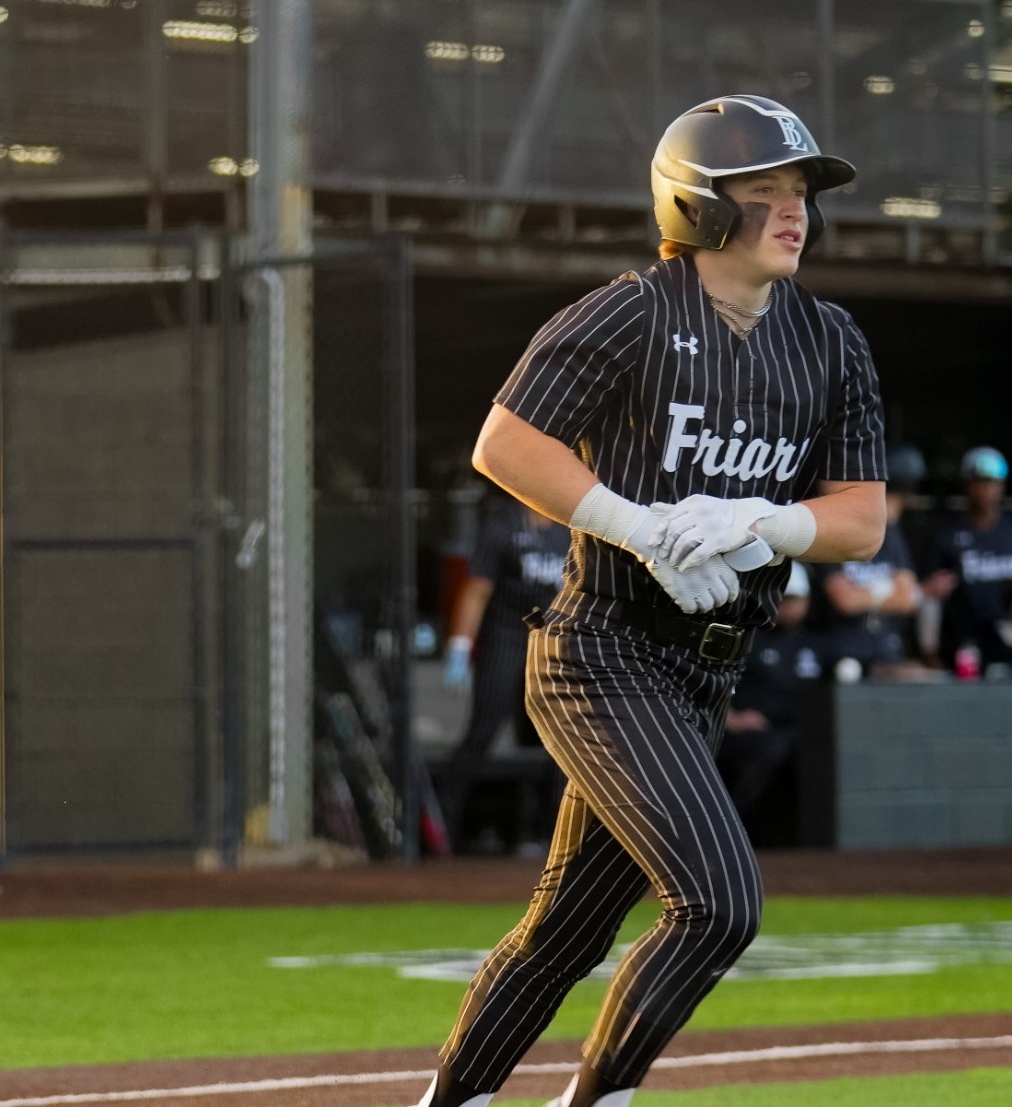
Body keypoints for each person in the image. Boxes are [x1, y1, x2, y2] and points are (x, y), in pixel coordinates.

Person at [413, 95, 886, 1107]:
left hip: (706, 670)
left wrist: (765, 520)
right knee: (718, 905)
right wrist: (638, 527)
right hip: (602, 650)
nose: (795, 210)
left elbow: (861, 520)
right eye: (766, 191)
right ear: (697, 205)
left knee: (567, 931)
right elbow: (505, 444)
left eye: (801, 192)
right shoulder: (631, 309)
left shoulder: (832, 340)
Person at [436, 498, 571, 849]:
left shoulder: (568, 525)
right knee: (484, 729)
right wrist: (460, 647)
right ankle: (442, 821)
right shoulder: (503, 525)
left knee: (559, 740)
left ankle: (547, 832)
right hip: (506, 635)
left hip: (552, 640)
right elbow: (477, 590)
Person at [923, 446, 1012, 667]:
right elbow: (929, 596)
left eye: (992, 482)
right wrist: (930, 650)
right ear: (966, 484)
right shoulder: (946, 533)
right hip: (963, 639)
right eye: (978, 482)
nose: (985, 489)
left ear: (1002, 485)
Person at [717, 562, 820, 830]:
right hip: (750, 729)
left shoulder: (813, 640)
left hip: (796, 729)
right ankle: (730, 826)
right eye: (783, 599)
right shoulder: (747, 638)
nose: (787, 606)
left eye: (794, 599)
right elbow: (715, 681)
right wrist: (732, 718)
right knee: (769, 749)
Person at [808, 469, 921, 680]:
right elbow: (845, 600)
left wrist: (863, 594)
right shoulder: (830, 532)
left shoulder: (887, 532)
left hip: (884, 649)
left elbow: (908, 597)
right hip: (838, 654)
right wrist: (885, 589)